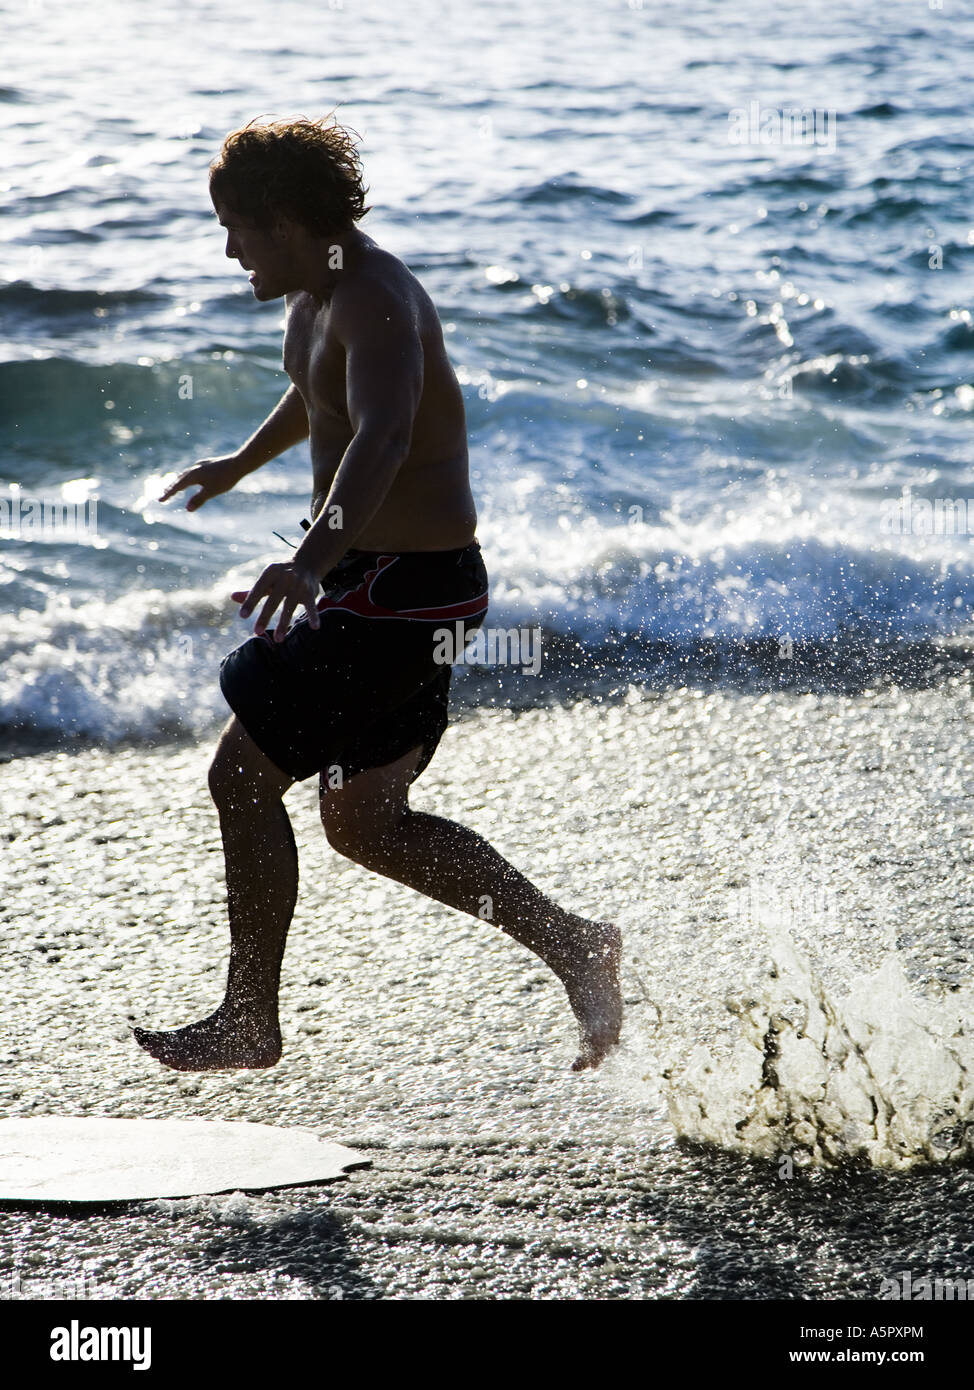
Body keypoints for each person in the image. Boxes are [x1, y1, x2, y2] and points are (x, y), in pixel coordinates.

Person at [136, 115, 621, 1074]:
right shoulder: (313, 292)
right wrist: (241, 462)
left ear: (286, 218)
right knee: (365, 822)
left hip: (406, 594)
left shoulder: (378, 300)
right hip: (379, 584)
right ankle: (579, 947)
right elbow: (322, 398)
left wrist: (310, 562)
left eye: (237, 226)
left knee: (241, 776)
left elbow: (382, 436)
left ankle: (248, 1018)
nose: (228, 248)